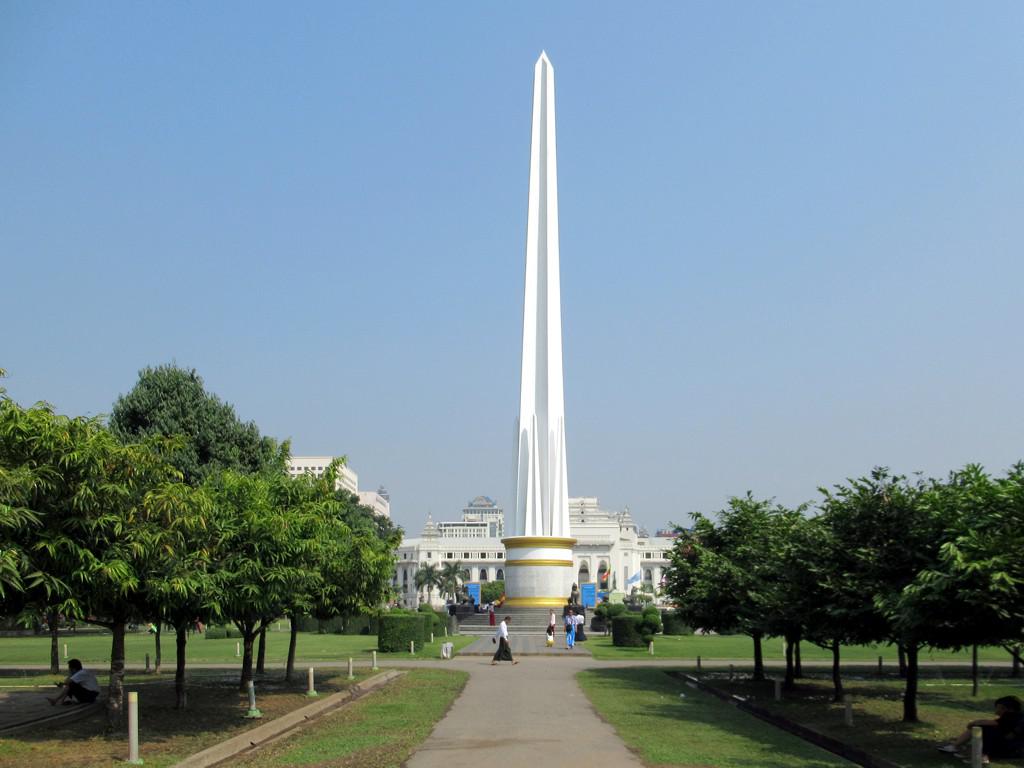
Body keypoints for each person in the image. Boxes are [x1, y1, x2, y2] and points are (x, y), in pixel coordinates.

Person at [937, 695, 1024, 762]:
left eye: (998, 707)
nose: (996, 711)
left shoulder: (1012, 716)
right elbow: (997, 724)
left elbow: (992, 723)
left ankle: (981, 756)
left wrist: (974, 723)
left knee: (984, 728)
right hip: (1013, 748)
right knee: (984, 728)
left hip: (1011, 749)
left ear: (1007, 709)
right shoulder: (1016, 717)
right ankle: (960, 747)